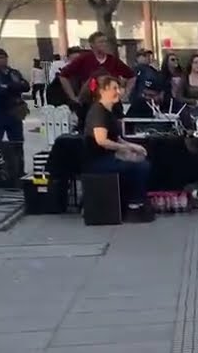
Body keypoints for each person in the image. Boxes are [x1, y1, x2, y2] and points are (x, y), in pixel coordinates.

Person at [82, 75, 154, 223]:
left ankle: (136, 202)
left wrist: (133, 146)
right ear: (102, 91)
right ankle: (135, 205)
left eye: (119, 88)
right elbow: (102, 140)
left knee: (142, 160)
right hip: (98, 161)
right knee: (140, 167)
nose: (119, 92)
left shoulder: (109, 111)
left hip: (107, 157)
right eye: (114, 88)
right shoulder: (98, 112)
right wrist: (123, 149)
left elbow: (115, 138)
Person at [59, 32, 135, 114]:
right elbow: (63, 75)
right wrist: (73, 97)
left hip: (112, 103)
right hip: (89, 102)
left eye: (105, 42)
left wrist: (125, 94)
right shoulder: (84, 59)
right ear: (92, 45)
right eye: (101, 42)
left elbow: (132, 76)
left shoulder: (113, 60)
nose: (104, 44)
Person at [0, 49, 30, 142]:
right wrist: (14, 87)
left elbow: (26, 86)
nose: (2, 60)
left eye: (4, 57)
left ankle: (17, 157)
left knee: (17, 142)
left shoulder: (13, 73)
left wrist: (8, 86)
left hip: (14, 112)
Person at [177, 54, 198, 119]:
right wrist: (193, 102)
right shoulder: (185, 79)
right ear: (191, 64)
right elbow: (179, 97)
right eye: (195, 63)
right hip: (189, 113)